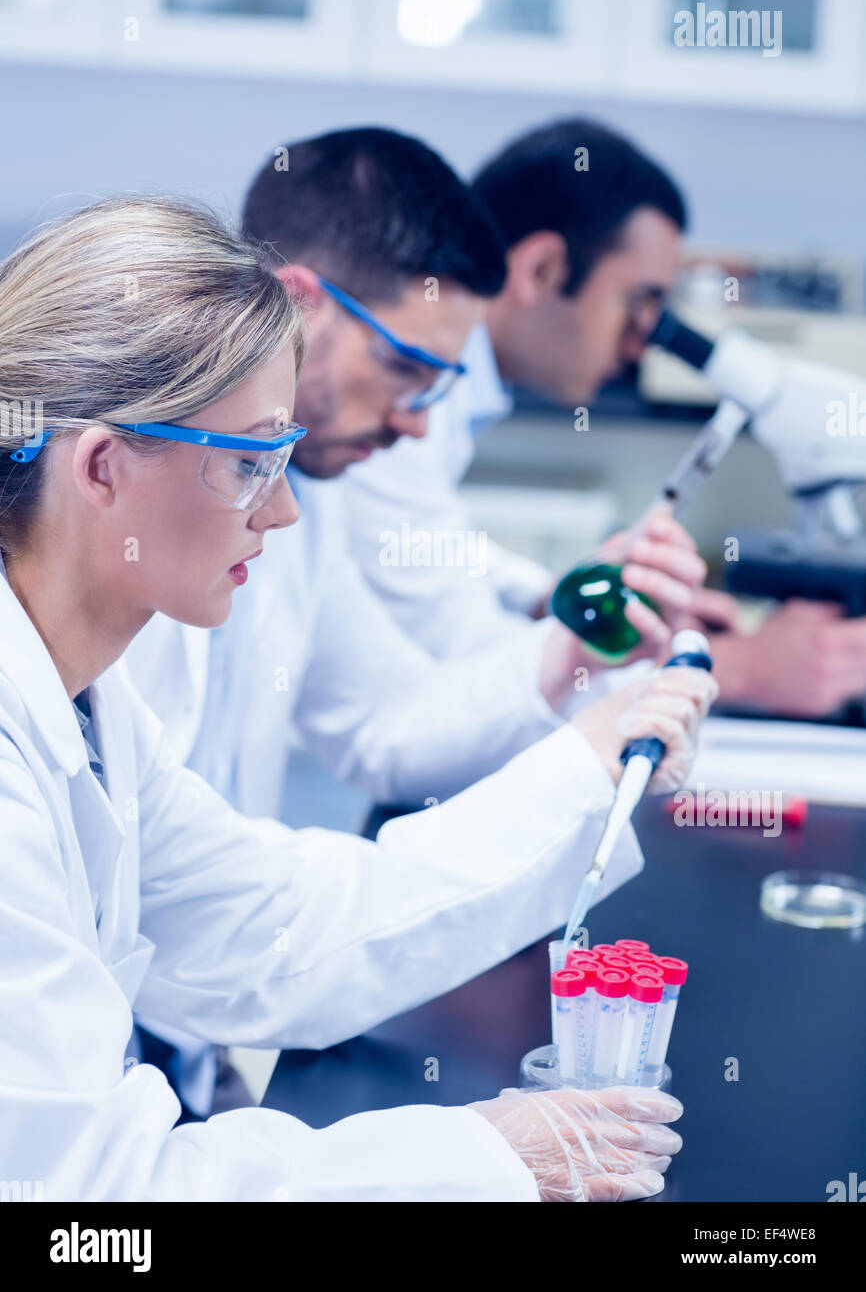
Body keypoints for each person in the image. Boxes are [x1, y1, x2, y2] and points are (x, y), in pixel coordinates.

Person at [0, 195, 715, 1200]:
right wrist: (484, 1157)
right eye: (250, 464)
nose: (285, 510)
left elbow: (276, 926)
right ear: (104, 467)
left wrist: (587, 765)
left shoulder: (93, 709)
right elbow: (96, 1201)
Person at [341, 118, 866, 718]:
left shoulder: (457, 399)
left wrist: (564, 599)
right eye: (634, 304)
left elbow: (446, 554)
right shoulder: (396, 407)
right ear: (542, 270)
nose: (640, 344)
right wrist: (740, 668)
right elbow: (467, 660)